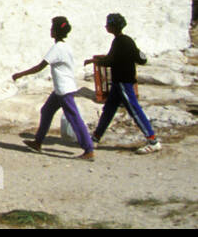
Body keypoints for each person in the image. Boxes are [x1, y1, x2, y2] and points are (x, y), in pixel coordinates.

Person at [12, 16, 94, 159]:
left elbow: (40, 67)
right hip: (62, 88)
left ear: (56, 31)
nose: (50, 31)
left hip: (64, 90)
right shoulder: (65, 46)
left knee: (74, 118)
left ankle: (88, 149)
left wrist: (20, 74)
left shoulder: (57, 48)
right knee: (47, 110)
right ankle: (38, 142)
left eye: (52, 28)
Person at [85, 13, 160, 154]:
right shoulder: (128, 40)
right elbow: (141, 59)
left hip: (122, 82)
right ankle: (95, 138)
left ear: (113, 27)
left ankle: (153, 140)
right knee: (108, 110)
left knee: (134, 110)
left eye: (108, 24)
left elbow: (110, 61)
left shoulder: (119, 42)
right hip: (119, 83)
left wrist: (95, 62)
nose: (106, 26)